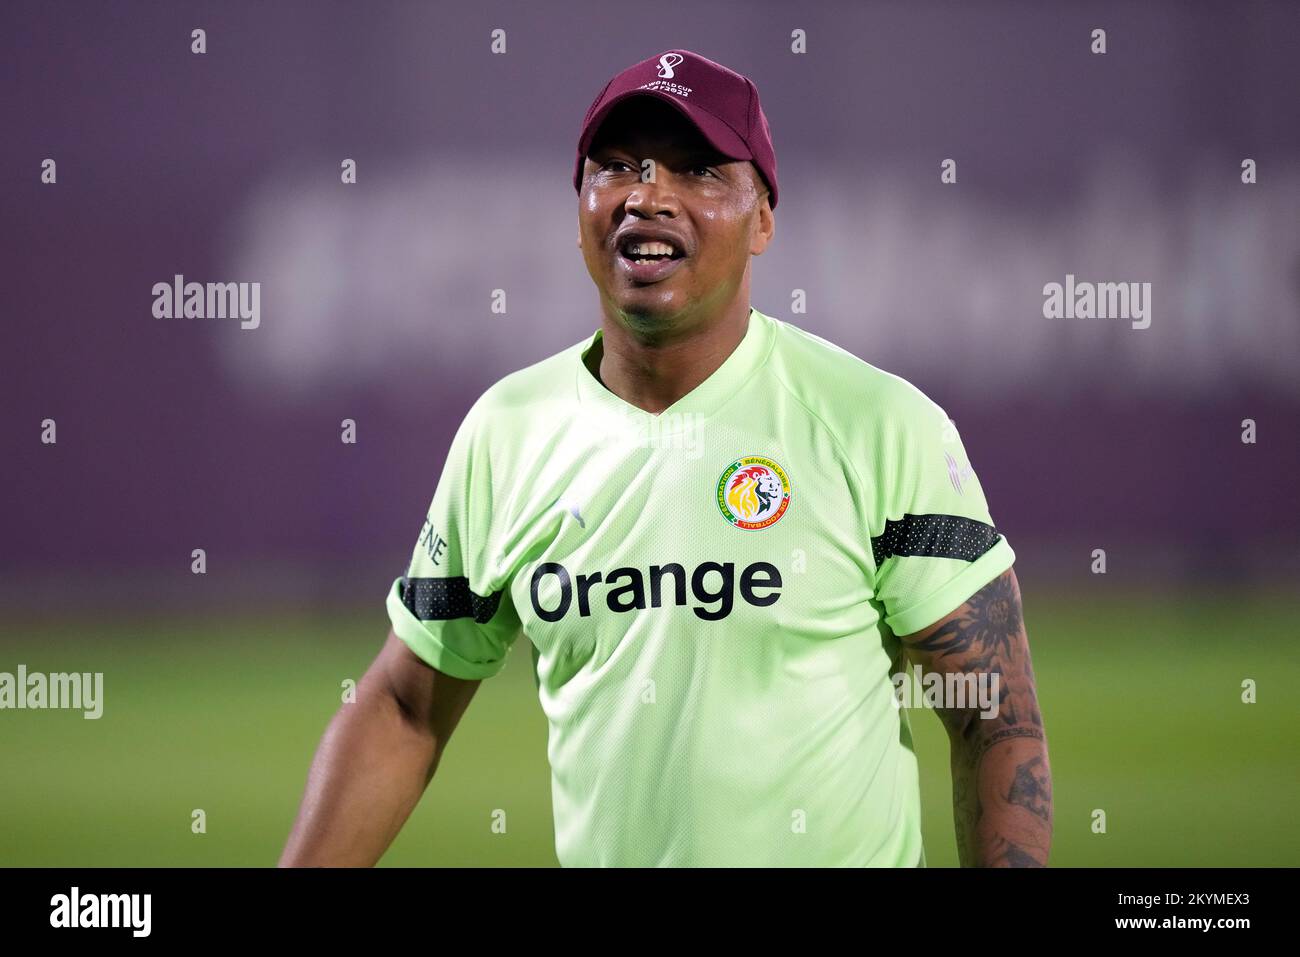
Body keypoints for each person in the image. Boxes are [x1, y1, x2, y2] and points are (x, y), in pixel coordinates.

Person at [280, 48, 1052, 867]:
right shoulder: (507, 435)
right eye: (617, 166)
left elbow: (994, 716)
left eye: (699, 172)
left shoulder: (876, 423)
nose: (648, 195)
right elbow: (406, 706)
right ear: (579, 203)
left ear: (763, 219)